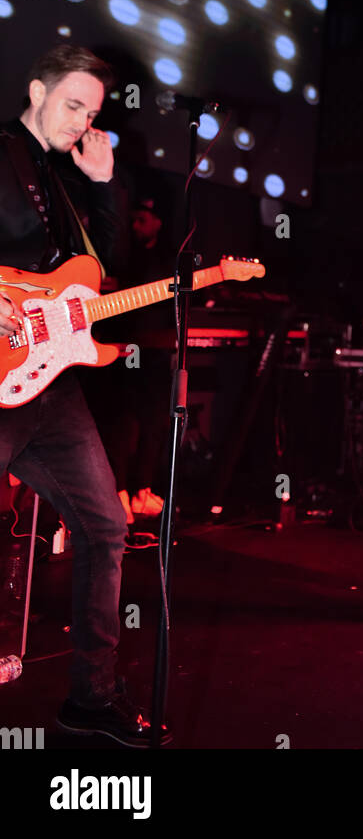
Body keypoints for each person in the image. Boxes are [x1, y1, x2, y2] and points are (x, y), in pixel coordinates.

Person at [0, 44, 167, 746]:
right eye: (72, 104)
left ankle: (90, 699)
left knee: (104, 526)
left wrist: (102, 186)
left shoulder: (66, 177)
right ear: (36, 89)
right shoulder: (3, 154)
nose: (82, 122)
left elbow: (100, 278)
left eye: (93, 113)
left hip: (52, 387)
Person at [85, 197, 175, 526]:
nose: (137, 226)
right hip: (124, 347)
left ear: (158, 222)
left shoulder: (169, 257)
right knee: (121, 419)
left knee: (155, 421)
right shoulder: (125, 254)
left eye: (143, 220)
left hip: (154, 348)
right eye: (134, 219)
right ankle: (119, 491)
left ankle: (142, 491)